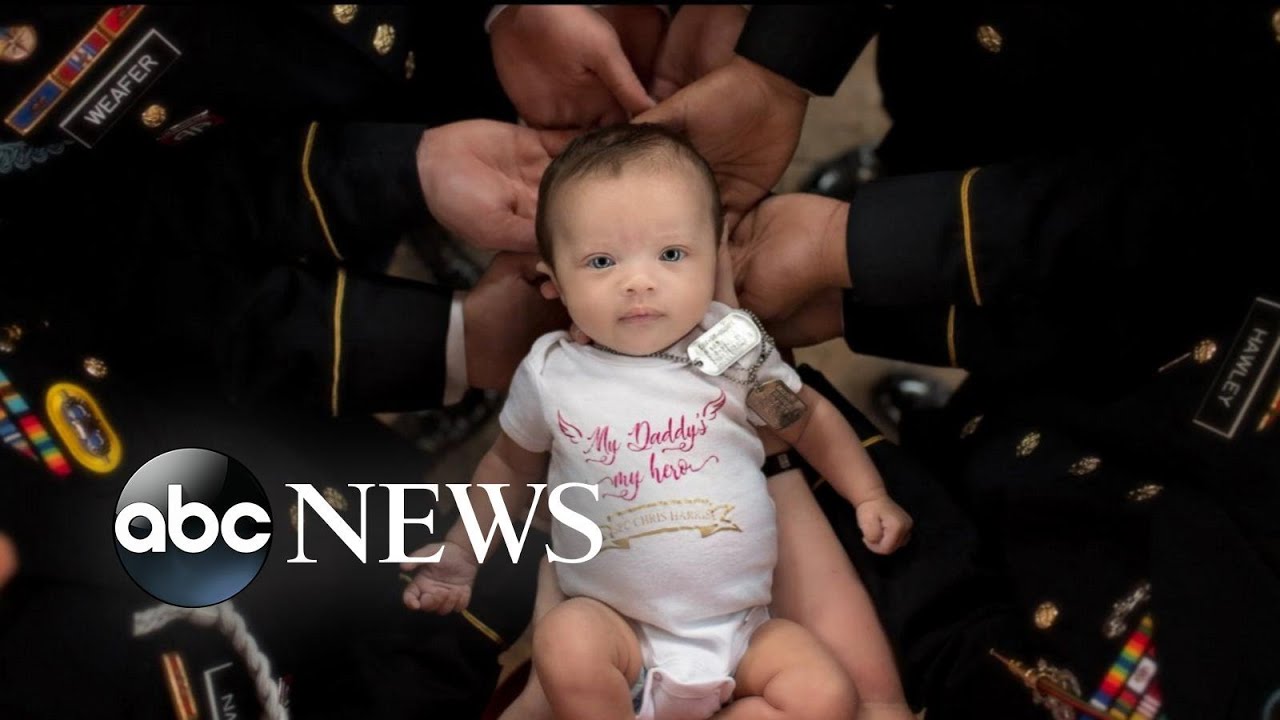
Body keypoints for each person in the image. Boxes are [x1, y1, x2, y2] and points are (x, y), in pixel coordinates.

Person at [633, 3, 1280, 718]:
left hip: (1082, 408)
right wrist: (780, 66)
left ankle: (935, 416)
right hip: (1132, 294)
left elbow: (955, 641)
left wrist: (794, 355)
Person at [401, 123, 914, 720]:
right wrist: (463, 551)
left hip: (742, 631)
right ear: (554, 283)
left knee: (826, 694)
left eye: (672, 254)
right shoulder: (552, 374)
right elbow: (509, 467)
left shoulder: (731, 351)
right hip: (617, 628)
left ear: (713, 251)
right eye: (600, 261)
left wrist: (867, 492)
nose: (638, 281)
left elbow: (804, 422)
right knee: (565, 642)